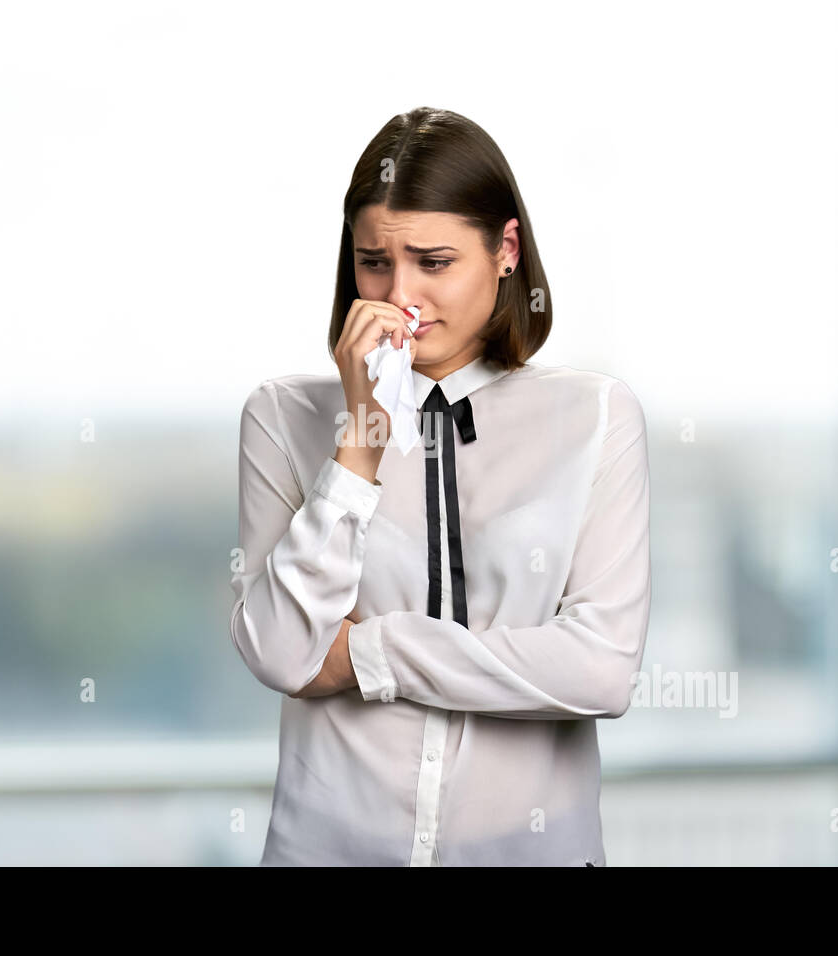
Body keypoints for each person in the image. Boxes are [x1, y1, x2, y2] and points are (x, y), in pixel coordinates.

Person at [229, 106, 651, 866]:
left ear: (506, 249)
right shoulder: (282, 416)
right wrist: (358, 445)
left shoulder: (594, 417)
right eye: (374, 262)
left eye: (435, 261)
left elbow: (601, 670)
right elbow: (282, 653)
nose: (404, 300)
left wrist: (371, 654)